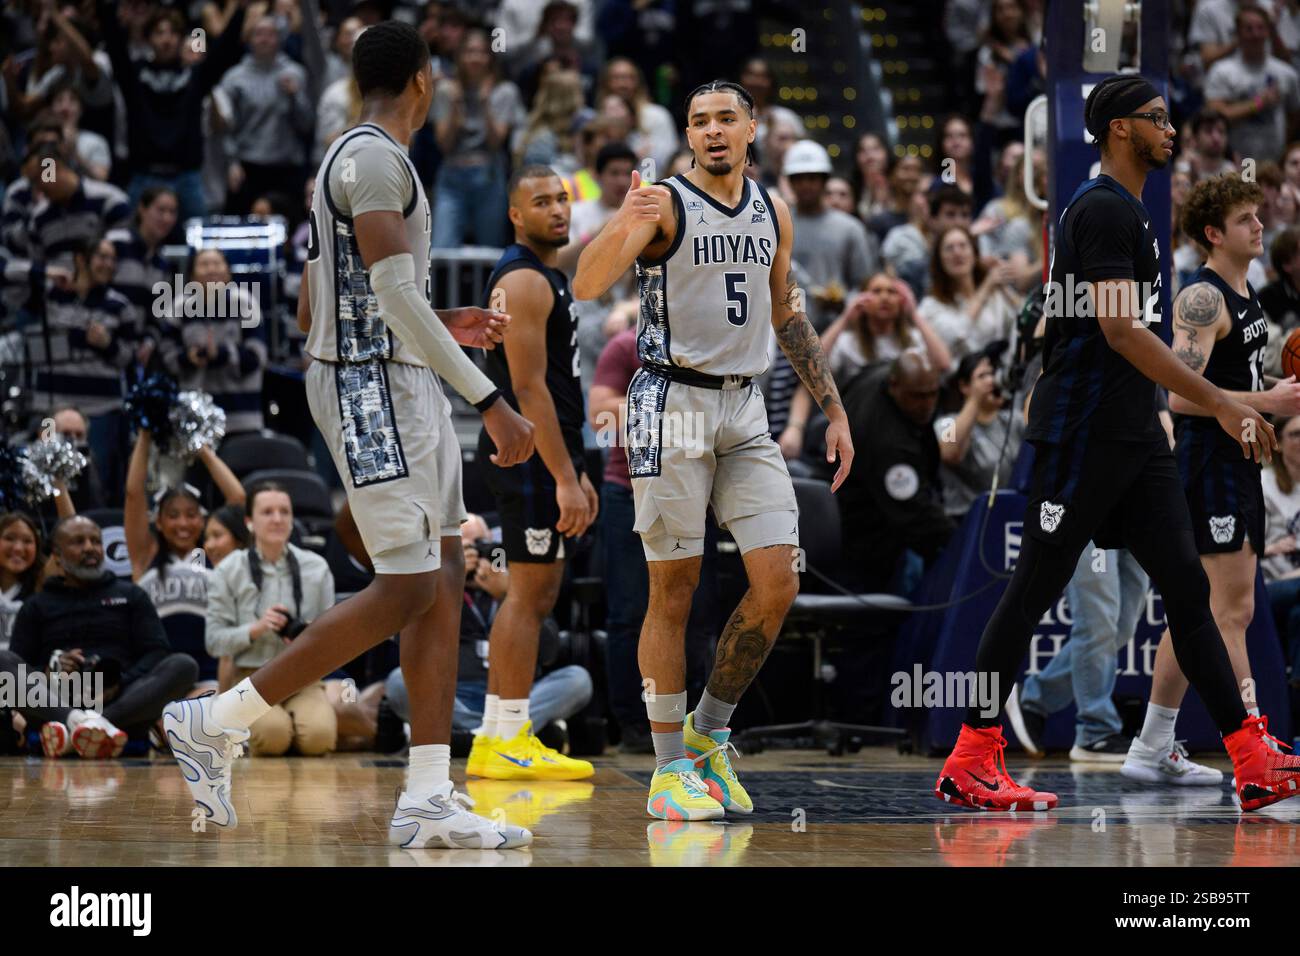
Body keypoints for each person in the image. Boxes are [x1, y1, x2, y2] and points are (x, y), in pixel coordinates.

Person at [161, 22, 535, 849]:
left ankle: (429, 796)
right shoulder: (370, 161)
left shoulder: (353, 160)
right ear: (426, 81)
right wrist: (491, 399)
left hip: (399, 381)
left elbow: (321, 305)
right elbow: (386, 300)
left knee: (439, 572)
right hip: (373, 393)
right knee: (405, 588)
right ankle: (215, 718)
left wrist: (445, 322)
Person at [935, 74, 1300, 814]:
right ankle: (972, 754)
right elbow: (1121, 331)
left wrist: (1179, 412)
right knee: (1033, 591)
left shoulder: (1133, 211)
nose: (1172, 130)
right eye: (1157, 119)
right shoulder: (1102, 208)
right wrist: (1225, 402)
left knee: (1188, 592)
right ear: (1118, 129)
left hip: (1137, 437)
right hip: (1082, 434)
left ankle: (1248, 755)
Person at [574, 78, 853, 821]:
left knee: (778, 581)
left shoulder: (773, 209)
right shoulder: (663, 202)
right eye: (699, 121)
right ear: (689, 135)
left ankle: (706, 734)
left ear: (753, 127)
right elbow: (588, 281)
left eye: (726, 118)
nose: (712, 130)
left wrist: (832, 406)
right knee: (675, 588)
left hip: (745, 404)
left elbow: (786, 310)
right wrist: (619, 225)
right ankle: (668, 773)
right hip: (674, 401)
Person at [1121, 172, 1300, 784]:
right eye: (1246, 219)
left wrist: (1272, 388)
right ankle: (1253, 744)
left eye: (1258, 215)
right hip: (1207, 458)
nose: (1259, 225)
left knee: (1198, 611)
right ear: (1212, 234)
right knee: (1231, 611)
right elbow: (1180, 397)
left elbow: (1233, 374)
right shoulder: (1202, 299)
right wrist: (1267, 402)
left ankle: (1151, 747)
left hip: (1240, 459)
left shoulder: (1246, 291)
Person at [468, 164, 596, 781]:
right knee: (528, 595)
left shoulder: (545, 275)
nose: (558, 210)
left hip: (546, 452)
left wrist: (575, 468)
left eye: (562, 199)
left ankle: (498, 736)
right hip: (528, 457)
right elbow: (526, 388)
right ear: (515, 215)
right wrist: (565, 478)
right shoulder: (523, 279)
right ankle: (508, 736)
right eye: (541, 202)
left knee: (535, 594)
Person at [384, 515, 593, 738]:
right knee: (399, 681)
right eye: (465, 547)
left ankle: (468, 736)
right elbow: (408, 644)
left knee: (578, 679)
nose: (476, 553)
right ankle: (509, 734)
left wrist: (509, 596)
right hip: (453, 696)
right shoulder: (433, 585)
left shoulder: (516, 584)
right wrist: (449, 580)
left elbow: (548, 652)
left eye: (481, 544)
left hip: (515, 696)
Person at [9, 515, 198, 759]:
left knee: (183, 665)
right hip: (56, 702)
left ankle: (90, 727)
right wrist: (48, 671)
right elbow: (16, 666)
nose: (90, 548)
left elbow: (157, 652)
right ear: (57, 554)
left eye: (95, 541)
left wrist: (121, 682)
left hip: (122, 700)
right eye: (78, 542)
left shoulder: (131, 595)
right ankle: (77, 721)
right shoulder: (36, 606)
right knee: (2, 663)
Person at [204, 482, 336, 756]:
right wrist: (256, 629)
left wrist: (310, 635)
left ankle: (290, 729)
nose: (277, 519)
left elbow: (332, 640)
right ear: (250, 522)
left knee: (319, 738)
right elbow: (214, 642)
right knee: (273, 736)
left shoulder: (317, 568)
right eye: (267, 512)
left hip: (304, 678)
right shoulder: (229, 570)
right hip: (252, 679)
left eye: (284, 512)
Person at [125, 430, 247, 690]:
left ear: (203, 519)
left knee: (199, 724)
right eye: (173, 515)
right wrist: (146, 434)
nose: (183, 523)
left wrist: (202, 448)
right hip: (155, 672)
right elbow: (133, 494)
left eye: (191, 514)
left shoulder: (215, 555)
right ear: (158, 521)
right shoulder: (145, 555)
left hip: (207, 671)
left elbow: (238, 499)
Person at [24, 236, 133, 493]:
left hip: (99, 411)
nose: (108, 264)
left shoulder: (119, 304)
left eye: (113, 259)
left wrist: (108, 343)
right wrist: (47, 273)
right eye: (102, 257)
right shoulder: (52, 296)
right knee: (47, 473)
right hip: (52, 409)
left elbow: (128, 358)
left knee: (95, 476)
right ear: (81, 259)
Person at [839, 352, 954, 592]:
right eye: (918, 397)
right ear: (894, 386)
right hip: (866, 532)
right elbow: (915, 515)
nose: (928, 405)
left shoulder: (880, 370)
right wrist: (961, 539)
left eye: (933, 393)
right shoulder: (889, 444)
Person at [430, 27, 524, 248]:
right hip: (452, 176)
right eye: (469, 52)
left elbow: (495, 143)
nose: (475, 58)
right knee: (441, 248)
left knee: (490, 249)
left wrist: (484, 103)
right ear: (460, 56)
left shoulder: (505, 91)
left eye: (481, 52)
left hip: (489, 175)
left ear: (489, 58)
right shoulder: (445, 90)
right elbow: (444, 144)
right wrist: (456, 106)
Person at [158, 248, 267, 436]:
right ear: (192, 276)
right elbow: (165, 358)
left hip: (241, 419)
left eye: (217, 264)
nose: (211, 270)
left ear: (228, 273)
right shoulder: (178, 307)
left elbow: (257, 358)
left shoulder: (245, 303)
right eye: (204, 264)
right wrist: (187, 358)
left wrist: (222, 354)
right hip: (195, 421)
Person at [219, 15, 314, 215]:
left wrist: (295, 96)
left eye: (270, 34)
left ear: (280, 39)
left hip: (286, 166)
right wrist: (231, 162)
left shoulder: (295, 73)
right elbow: (224, 127)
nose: (264, 39)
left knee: (288, 234)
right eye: (258, 34)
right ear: (249, 39)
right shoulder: (233, 77)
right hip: (248, 166)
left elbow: (307, 125)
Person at [783, 140, 880, 331]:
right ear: (790, 182)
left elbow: (864, 283)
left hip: (840, 328)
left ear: (824, 180)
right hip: (788, 328)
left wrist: (843, 301)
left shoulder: (850, 228)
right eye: (799, 179)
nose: (806, 185)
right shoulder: (778, 225)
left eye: (812, 178)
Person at [934, 346, 1026, 517]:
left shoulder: (1013, 420)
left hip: (1010, 514)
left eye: (993, 374)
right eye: (982, 376)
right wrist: (975, 400)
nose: (992, 381)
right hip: (966, 519)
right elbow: (948, 452)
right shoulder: (947, 423)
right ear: (964, 386)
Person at [0, 512, 42, 649]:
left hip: (24, 669)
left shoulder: (43, 582)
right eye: (9, 538)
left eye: (27, 541)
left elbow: (71, 532)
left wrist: (61, 491)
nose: (18, 548)